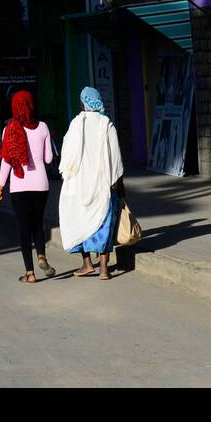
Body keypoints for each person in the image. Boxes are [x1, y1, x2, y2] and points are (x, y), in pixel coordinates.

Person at [59, 86, 124, 280]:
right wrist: (119, 184)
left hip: (79, 185)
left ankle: (87, 263)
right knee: (104, 223)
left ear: (83, 103)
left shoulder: (75, 124)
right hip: (102, 184)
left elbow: (67, 157)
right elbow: (116, 157)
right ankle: (104, 268)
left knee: (81, 222)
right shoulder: (106, 124)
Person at [0, 90, 57, 284]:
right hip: (41, 183)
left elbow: (6, 161)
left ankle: (29, 273)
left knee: (24, 228)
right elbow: (48, 159)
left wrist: (0, 187)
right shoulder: (43, 127)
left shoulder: (9, 129)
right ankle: (41, 256)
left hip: (19, 185)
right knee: (37, 223)